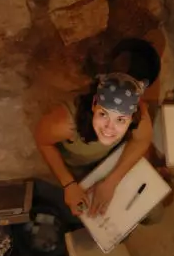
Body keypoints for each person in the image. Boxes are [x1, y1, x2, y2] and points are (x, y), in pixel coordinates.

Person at [35, 39, 160, 219]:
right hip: (79, 171)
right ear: (94, 103)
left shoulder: (138, 113)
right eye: (103, 114)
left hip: (109, 164)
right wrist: (69, 184)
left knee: (154, 214)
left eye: (121, 119)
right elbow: (42, 141)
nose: (110, 128)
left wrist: (111, 182)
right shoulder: (65, 122)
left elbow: (142, 140)